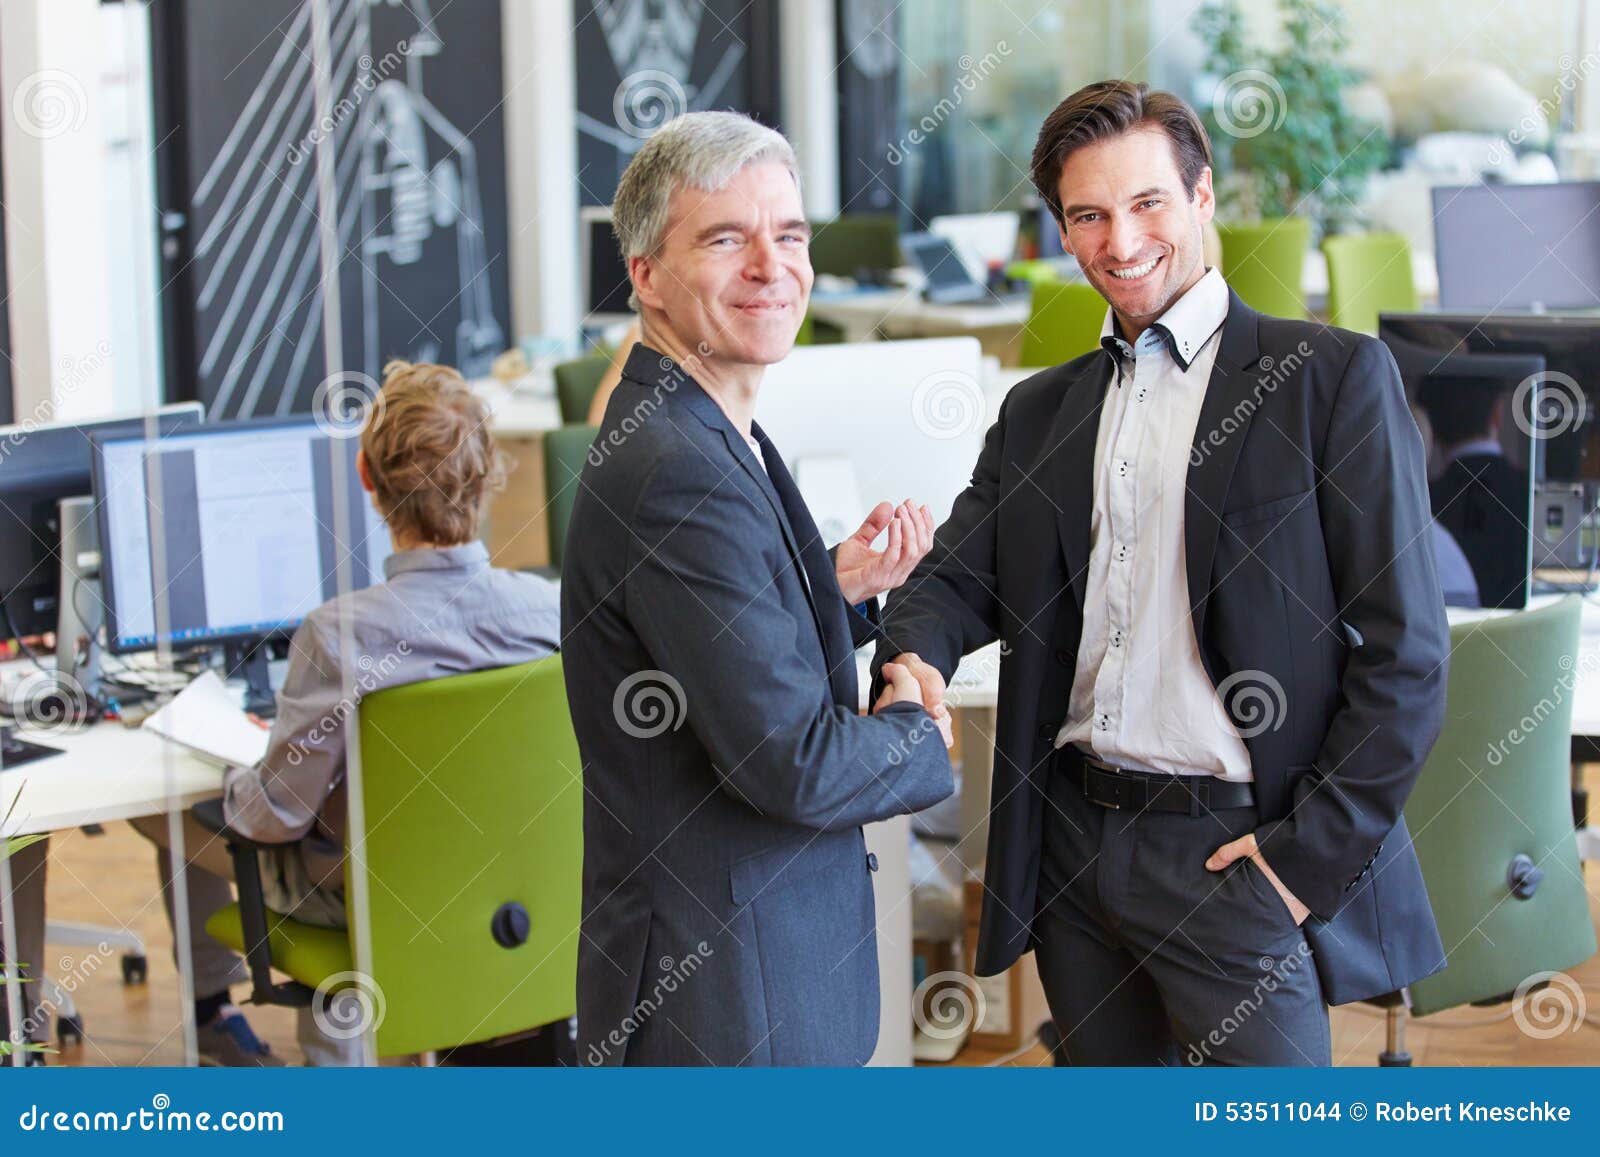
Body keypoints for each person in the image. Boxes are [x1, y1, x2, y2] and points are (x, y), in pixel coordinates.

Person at [872, 80, 1450, 1066]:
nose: (1121, 239)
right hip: (1074, 847)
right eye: (1088, 215)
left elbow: (1408, 654)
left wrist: (1297, 864)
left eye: (1147, 203)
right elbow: (955, 578)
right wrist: (914, 655)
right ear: (1063, 229)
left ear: (1201, 195)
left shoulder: (1327, 380)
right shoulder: (1039, 412)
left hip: (1235, 853)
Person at [561, 111, 955, 1066]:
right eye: (726, 239)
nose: (771, 266)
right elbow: (795, 763)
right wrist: (916, 727)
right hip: (728, 1002)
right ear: (646, 274)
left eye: (790, 234)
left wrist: (829, 590)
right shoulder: (676, 466)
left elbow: (710, 655)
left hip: (756, 973)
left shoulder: (707, 424)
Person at [131, 359, 560, 1065]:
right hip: (524, 893)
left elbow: (275, 816)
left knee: (158, 808)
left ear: (366, 475)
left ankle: (212, 1017)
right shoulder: (550, 612)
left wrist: (238, 779)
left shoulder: (340, 636)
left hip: (366, 896)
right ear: (487, 477)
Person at [1420, 377, 1529, 608]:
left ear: (1432, 428)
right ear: (1498, 414)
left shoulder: (1420, 504)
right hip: (1527, 628)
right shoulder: (1532, 493)